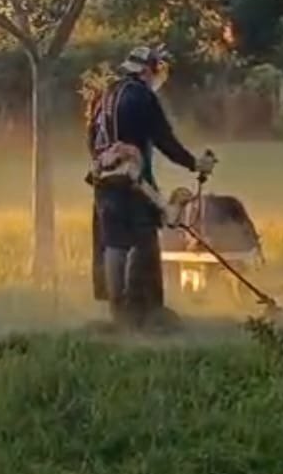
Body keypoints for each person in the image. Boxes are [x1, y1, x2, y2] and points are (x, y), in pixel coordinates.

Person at [87, 42, 216, 330]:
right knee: (144, 240)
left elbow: (91, 142)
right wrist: (195, 164)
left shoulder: (104, 96)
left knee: (114, 243)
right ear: (148, 70)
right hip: (133, 183)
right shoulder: (142, 96)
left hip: (104, 183)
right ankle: (147, 311)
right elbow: (164, 139)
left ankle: (118, 313)